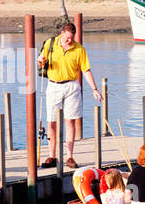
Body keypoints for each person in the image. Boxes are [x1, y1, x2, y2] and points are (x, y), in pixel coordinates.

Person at [37, 22, 101, 168]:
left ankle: (69, 157)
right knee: (51, 121)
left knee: (70, 121)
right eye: (67, 38)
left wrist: (94, 89)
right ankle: (52, 156)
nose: (70, 40)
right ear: (62, 34)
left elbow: (86, 70)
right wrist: (40, 61)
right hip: (54, 84)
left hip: (72, 85)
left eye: (72, 38)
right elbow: (41, 61)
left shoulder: (79, 49)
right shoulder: (50, 43)